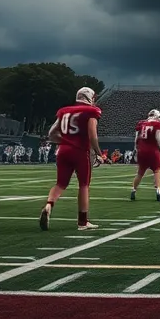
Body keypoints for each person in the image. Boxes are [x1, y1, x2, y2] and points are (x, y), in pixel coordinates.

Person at [39, 87, 102, 231]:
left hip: (63, 150)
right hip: (80, 151)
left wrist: (66, 140)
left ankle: (49, 205)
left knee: (60, 184)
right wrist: (99, 153)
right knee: (84, 185)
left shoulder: (64, 111)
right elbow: (93, 136)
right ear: (90, 98)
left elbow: (51, 134)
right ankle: (83, 222)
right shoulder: (91, 111)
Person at [131, 109, 160, 202]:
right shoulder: (158, 125)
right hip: (153, 151)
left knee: (140, 172)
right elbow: (159, 139)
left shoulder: (141, 124)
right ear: (157, 116)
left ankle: (133, 190)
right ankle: (158, 193)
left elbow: (136, 139)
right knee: (157, 171)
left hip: (141, 150)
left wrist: (136, 149)